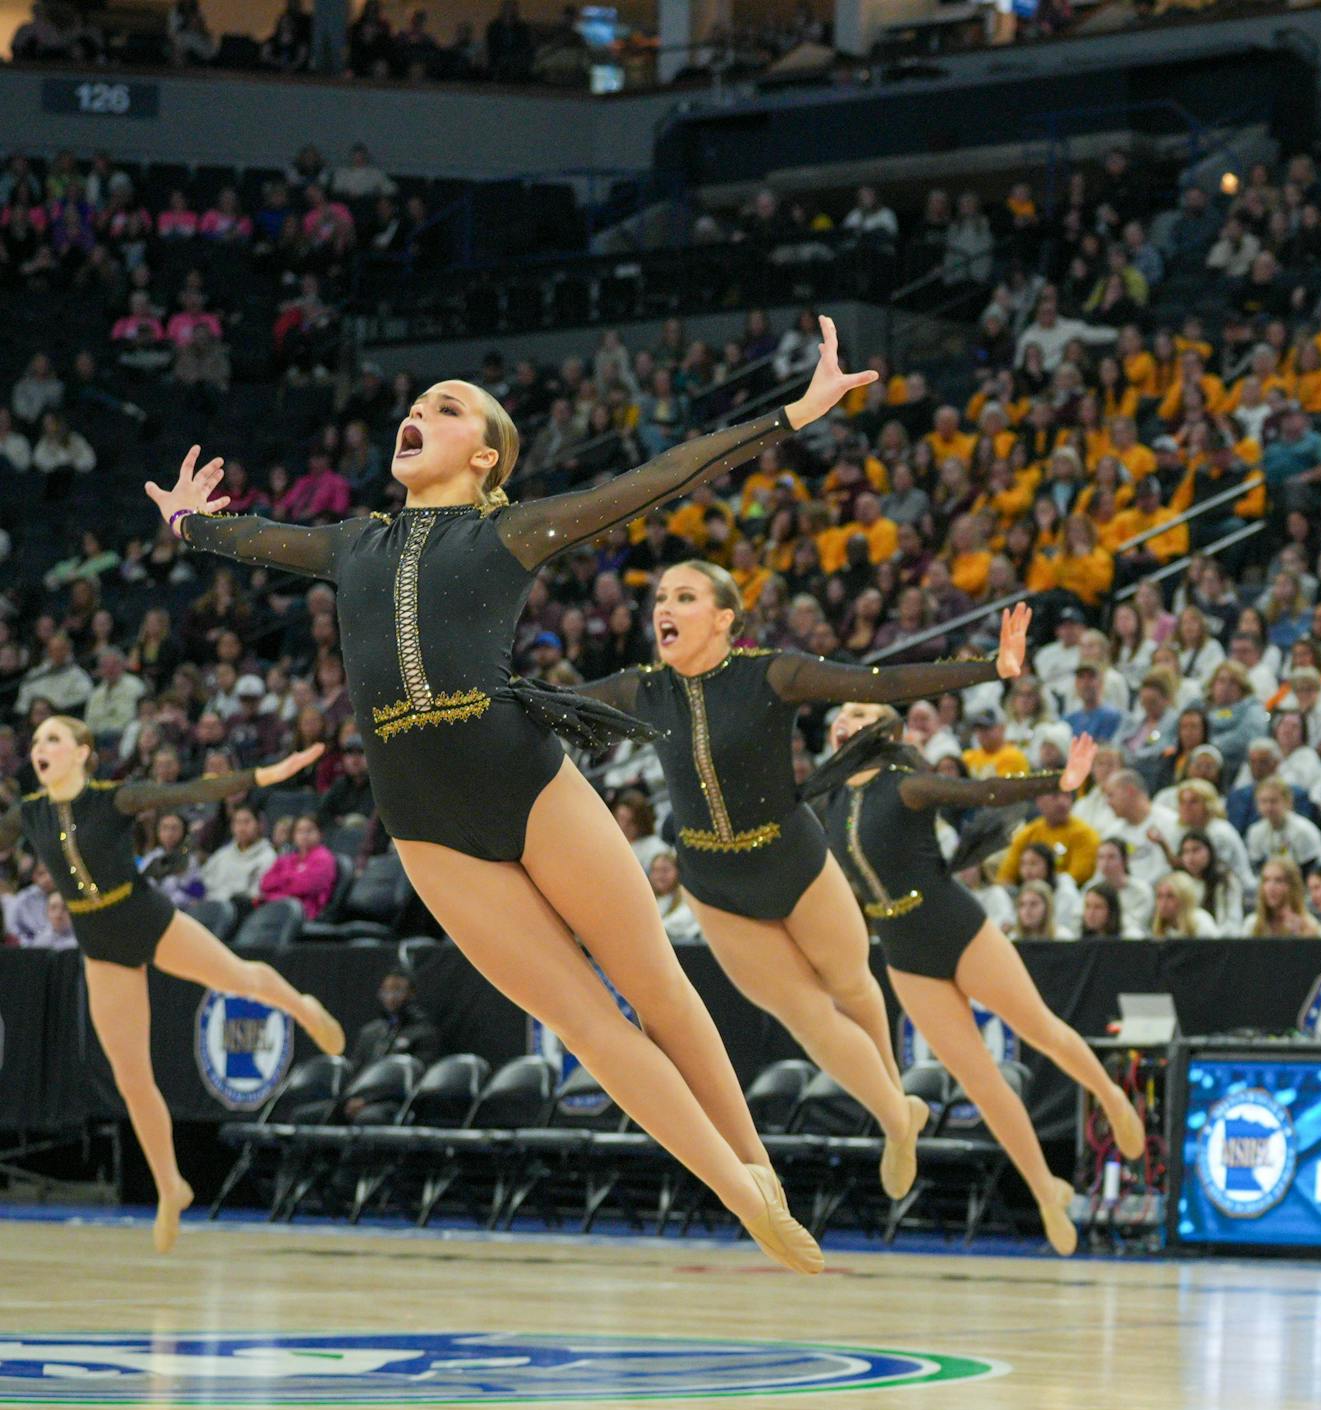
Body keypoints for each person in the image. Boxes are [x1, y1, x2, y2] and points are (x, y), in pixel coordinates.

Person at [149, 315, 884, 1278]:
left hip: (527, 785)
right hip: (426, 827)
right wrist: (189, 523)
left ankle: (760, 1168)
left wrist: (793, 413)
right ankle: (740, 1194)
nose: (420, 410)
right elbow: (256, 540)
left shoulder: (507, 531)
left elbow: (660, 477)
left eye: (446, 406)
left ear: (485, 455)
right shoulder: (352, 544)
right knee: (587, 1021)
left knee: (657, 989)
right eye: (418, 403)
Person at [577, 566, 1033, 1201]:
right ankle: (897, 1119)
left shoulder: (771, 673)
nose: (664, 609)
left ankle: (893, 1098)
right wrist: (471, 692)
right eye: (660, 598)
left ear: (724, 619)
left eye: (685, 597)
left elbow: (879, 682)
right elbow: (556, 703)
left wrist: (990, 668)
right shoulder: (644, 689)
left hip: (794, 863)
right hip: (714, 885)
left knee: (851, 985)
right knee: (806, 1015)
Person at [0, 717, 343, 1252]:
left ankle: (301, 1006)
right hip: (99, 944)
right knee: (132, 1077)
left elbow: (190, 791)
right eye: (38, 739)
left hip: (147, 919)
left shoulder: (113, 798)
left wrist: (262, 776)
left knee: (239, 978)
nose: (40, 747)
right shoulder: (30, 813)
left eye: (54, 739)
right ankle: (170, 1187)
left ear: (82, 752)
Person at [811, 709, 1142, 1255]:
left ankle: (1111, 1098)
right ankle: (1045, 1192)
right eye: (841, 712)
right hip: (903, 951)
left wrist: (1057, 780)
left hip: (956, 927)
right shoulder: (833, 798)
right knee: (979, 1081)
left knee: (1039, 1029)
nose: (845, 717)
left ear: (884, 731)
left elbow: (983, 791)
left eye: (860, 711)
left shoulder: (906, 783)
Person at [351, 968, 442, 1063]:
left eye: (398, 991)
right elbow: (356, 1068)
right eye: (386, 991)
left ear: (411, 993)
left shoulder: (424, 1033)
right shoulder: (369, 1032)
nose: (390, 998)